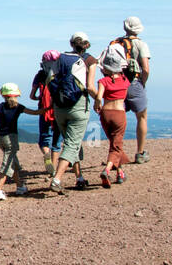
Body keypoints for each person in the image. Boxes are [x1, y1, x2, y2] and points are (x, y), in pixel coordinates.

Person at [49, 32, 100, 195]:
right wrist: (99, 99)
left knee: (71, 142)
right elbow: (90, 87)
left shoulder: (59, 58)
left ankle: (79, 177)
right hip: (78, 105)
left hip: (59, 107)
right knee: (72, 144)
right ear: (87, 44)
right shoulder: (90, 60)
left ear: (71, 44)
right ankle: (57, 179)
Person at [0, 83, 40, 200]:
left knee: (12, 161)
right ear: (16, 95)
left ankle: (20, 187)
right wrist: (49, 109)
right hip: (11, 139)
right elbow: (34, 112)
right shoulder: (18, 107)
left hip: (0, 138)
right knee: (8, 164)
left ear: (3, 95)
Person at [94, 50, 134, 187]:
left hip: (105, 113)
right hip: (119, 113)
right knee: (116, 145)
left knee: (114, 143)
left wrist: (97, 104)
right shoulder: (125, 81)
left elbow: (99, 97)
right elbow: (126, 97)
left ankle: (120, 173)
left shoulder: (103, 81)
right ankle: (107, 170)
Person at [115, 16, 152, 163]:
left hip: (118, 83)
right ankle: (140, 153)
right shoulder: (141, 44)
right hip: (135, 82)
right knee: (141, 117)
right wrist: (142, 82)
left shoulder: (116, 43)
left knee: (118, 120)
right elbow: (146, 69)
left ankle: (117, 153)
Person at [30, 50, 62, 174]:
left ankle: (46, 153)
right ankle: (53, 169)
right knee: (57, 141)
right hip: (58, 109)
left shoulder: (39, 75)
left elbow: (32, 96)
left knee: (44, 139)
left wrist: (40, 98)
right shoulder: (60, 75)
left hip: (43, 110)